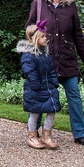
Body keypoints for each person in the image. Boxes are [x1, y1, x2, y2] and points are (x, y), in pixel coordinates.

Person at [25, 0, 84, 146]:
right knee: (41, 95)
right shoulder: (39, 4)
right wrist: (38, 32)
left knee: (74, 95)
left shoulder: (70, 6)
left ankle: (79, 133)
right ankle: (35, 134)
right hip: (45, 60)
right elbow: (29, 28)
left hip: (66, 58)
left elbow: (77, 34)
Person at [18, 21, 61, 149]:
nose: (45, 38)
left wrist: (54, 82)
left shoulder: (45, 54)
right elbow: (29, 71)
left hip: (48, 88)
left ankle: (46, 135)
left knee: (52, 111)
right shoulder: (28, 55)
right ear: (34, 38)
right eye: (42, 36)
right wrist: (35, 84)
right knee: (35, 113)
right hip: (36, 89)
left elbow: (51, 69)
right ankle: (32, 136)